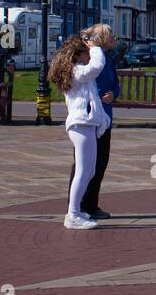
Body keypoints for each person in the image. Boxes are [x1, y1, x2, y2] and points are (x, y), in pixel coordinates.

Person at [48, 35, 110, 230]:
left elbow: (94, 100)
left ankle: (76, 211)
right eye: (85, 52)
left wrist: (104, 121)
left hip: (86, 124)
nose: (88, 55)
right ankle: (72, 214)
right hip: (80, 125)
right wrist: (95, 48)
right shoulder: (77, 71)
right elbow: (96, 66)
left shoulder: (79, 72)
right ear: (78, 54)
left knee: (89, 170)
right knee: (83, 171)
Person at [67, 24, 120, 219]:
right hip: (89, 118)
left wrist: (114, 94)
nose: (114, 37)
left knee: (100, 163)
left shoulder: (110, 59)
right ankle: (77, 206)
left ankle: (91, 204)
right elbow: (88, 83)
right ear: (102, 38)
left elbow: (115, 83)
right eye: (111, 34)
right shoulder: (90, 59)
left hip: (105, 117)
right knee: (84, 165)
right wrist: (99, 97)